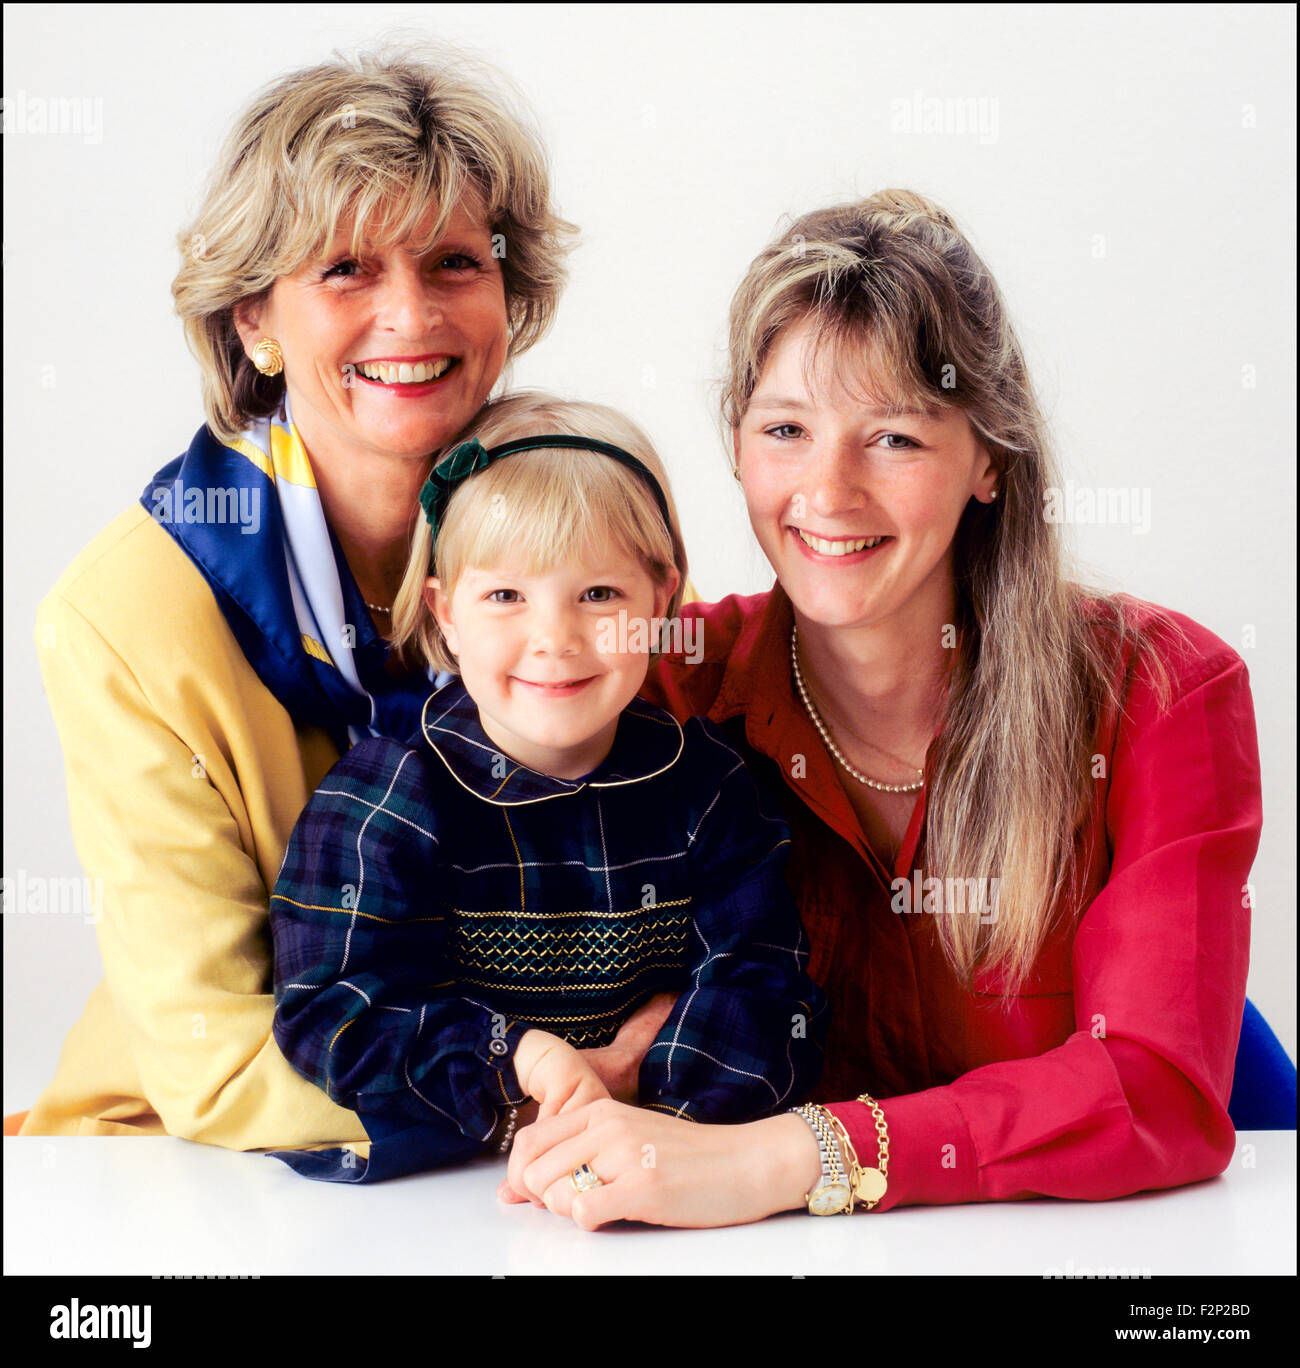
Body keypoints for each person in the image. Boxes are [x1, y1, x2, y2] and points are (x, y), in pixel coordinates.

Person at [500, 189, 1264, 1228]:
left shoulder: (1163, 689)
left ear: (989, 457)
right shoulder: (659, 684)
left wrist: (796, 1155)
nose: (828, 491)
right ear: (735, 444)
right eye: (785, 428)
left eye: (894, 438)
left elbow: (1156, 1091)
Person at [17, 42, 662, 1148]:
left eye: (455, 262)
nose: (411, 318)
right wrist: (537, 1098)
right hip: (184, 1166)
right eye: (345, 270)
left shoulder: (575, 543)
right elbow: (214, 1067)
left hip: (529, 1167)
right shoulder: (125, 614)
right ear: (252, 321)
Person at [263, 393, 828, 1182]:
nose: (554, 639)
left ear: (660, 603)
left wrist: (635, 1076)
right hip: (439, 1191)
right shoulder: (387, 795)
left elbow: (772, 1002)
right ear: (445, 611)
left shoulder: (707, 788)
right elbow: (334, 1010)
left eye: (599, 594)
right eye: (505, 596)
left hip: (652, 1164)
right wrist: (519, 1061)